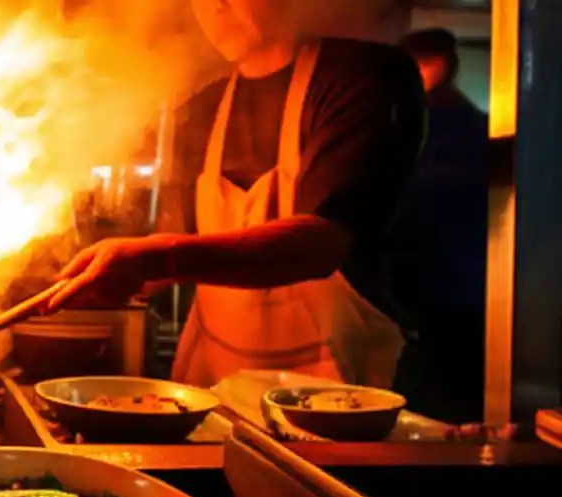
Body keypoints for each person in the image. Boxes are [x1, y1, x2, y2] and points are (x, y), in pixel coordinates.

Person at [48, 0, 425, 390]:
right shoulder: (203, 107)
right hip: (219, 390)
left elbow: (320, 245)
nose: (215, 6)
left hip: (343, 395)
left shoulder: (364, 76)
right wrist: (98, 275)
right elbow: (177, 242)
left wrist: (155, 259)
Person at [389, 28, 490, 422]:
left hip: (435, 292)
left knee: (429, 409)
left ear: (434, 68)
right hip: (463, 289)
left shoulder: (429, 130)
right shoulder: (474, 129)